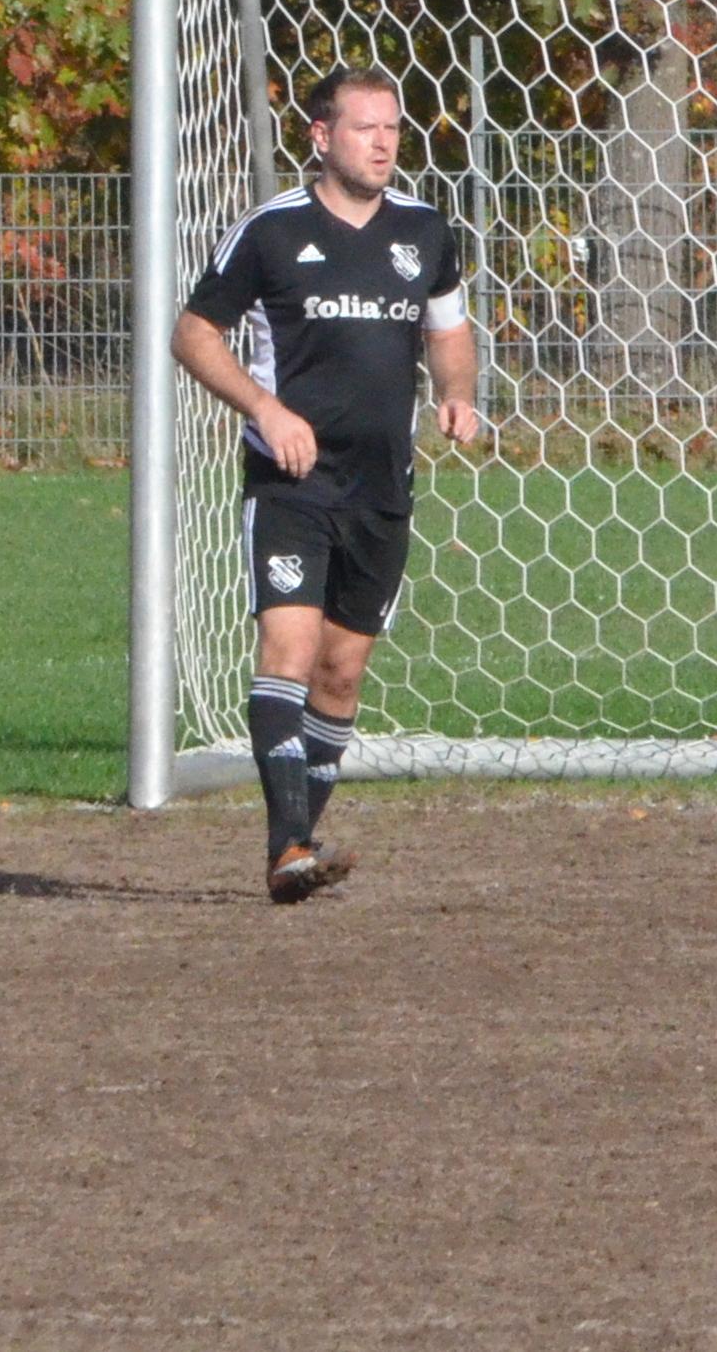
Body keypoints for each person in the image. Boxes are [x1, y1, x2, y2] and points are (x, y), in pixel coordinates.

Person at [174, 65, 479, 902]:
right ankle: (289, 849)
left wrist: (457, 396)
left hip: (382, 486)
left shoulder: (424, 229)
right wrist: (266, 410)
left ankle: (299, 843)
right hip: (291, 482)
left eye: (392, 128)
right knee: (290, 649)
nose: (383, 142)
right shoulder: (271, 232)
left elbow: (449, 331)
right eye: (364, 127)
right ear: (320, 136)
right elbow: (194, 334)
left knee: (340, 674)